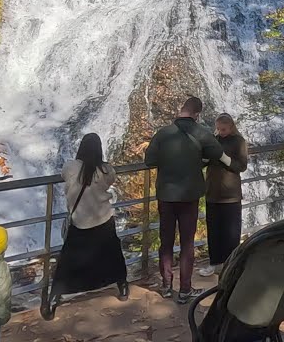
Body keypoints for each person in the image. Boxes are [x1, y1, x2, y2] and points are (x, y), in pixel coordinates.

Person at [144, 96, 235, 304]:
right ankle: (185, 289)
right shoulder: (201, 133)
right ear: (197, 114)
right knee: (187, 242)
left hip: (166, 195)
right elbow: (217, 153)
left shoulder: (163, 133)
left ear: (180, 110)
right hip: (189, 196)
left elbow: (149, 161)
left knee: (165, 241)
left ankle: (166, 286)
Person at [43, 133, 129, 320]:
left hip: (79, 220)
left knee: (68, 261)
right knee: (113, 255)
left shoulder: (71, 167)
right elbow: (111, 180)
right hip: (103, 218)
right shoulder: (106, 169)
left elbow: (65, 175)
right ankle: (122, 287)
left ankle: (53, 299)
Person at [201, 114, 249, 276]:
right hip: (212, 192)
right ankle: (214, 262)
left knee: (231, 232)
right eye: (218, 129)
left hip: (230, 194)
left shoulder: (238, 141)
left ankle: (232, 265)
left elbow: (241, 166)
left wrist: (223, 157)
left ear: (231, 127)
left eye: (224, 129)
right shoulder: (214, 140)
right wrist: (205, 157)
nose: (221, 132)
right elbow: (202, 162)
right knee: (213, 230)